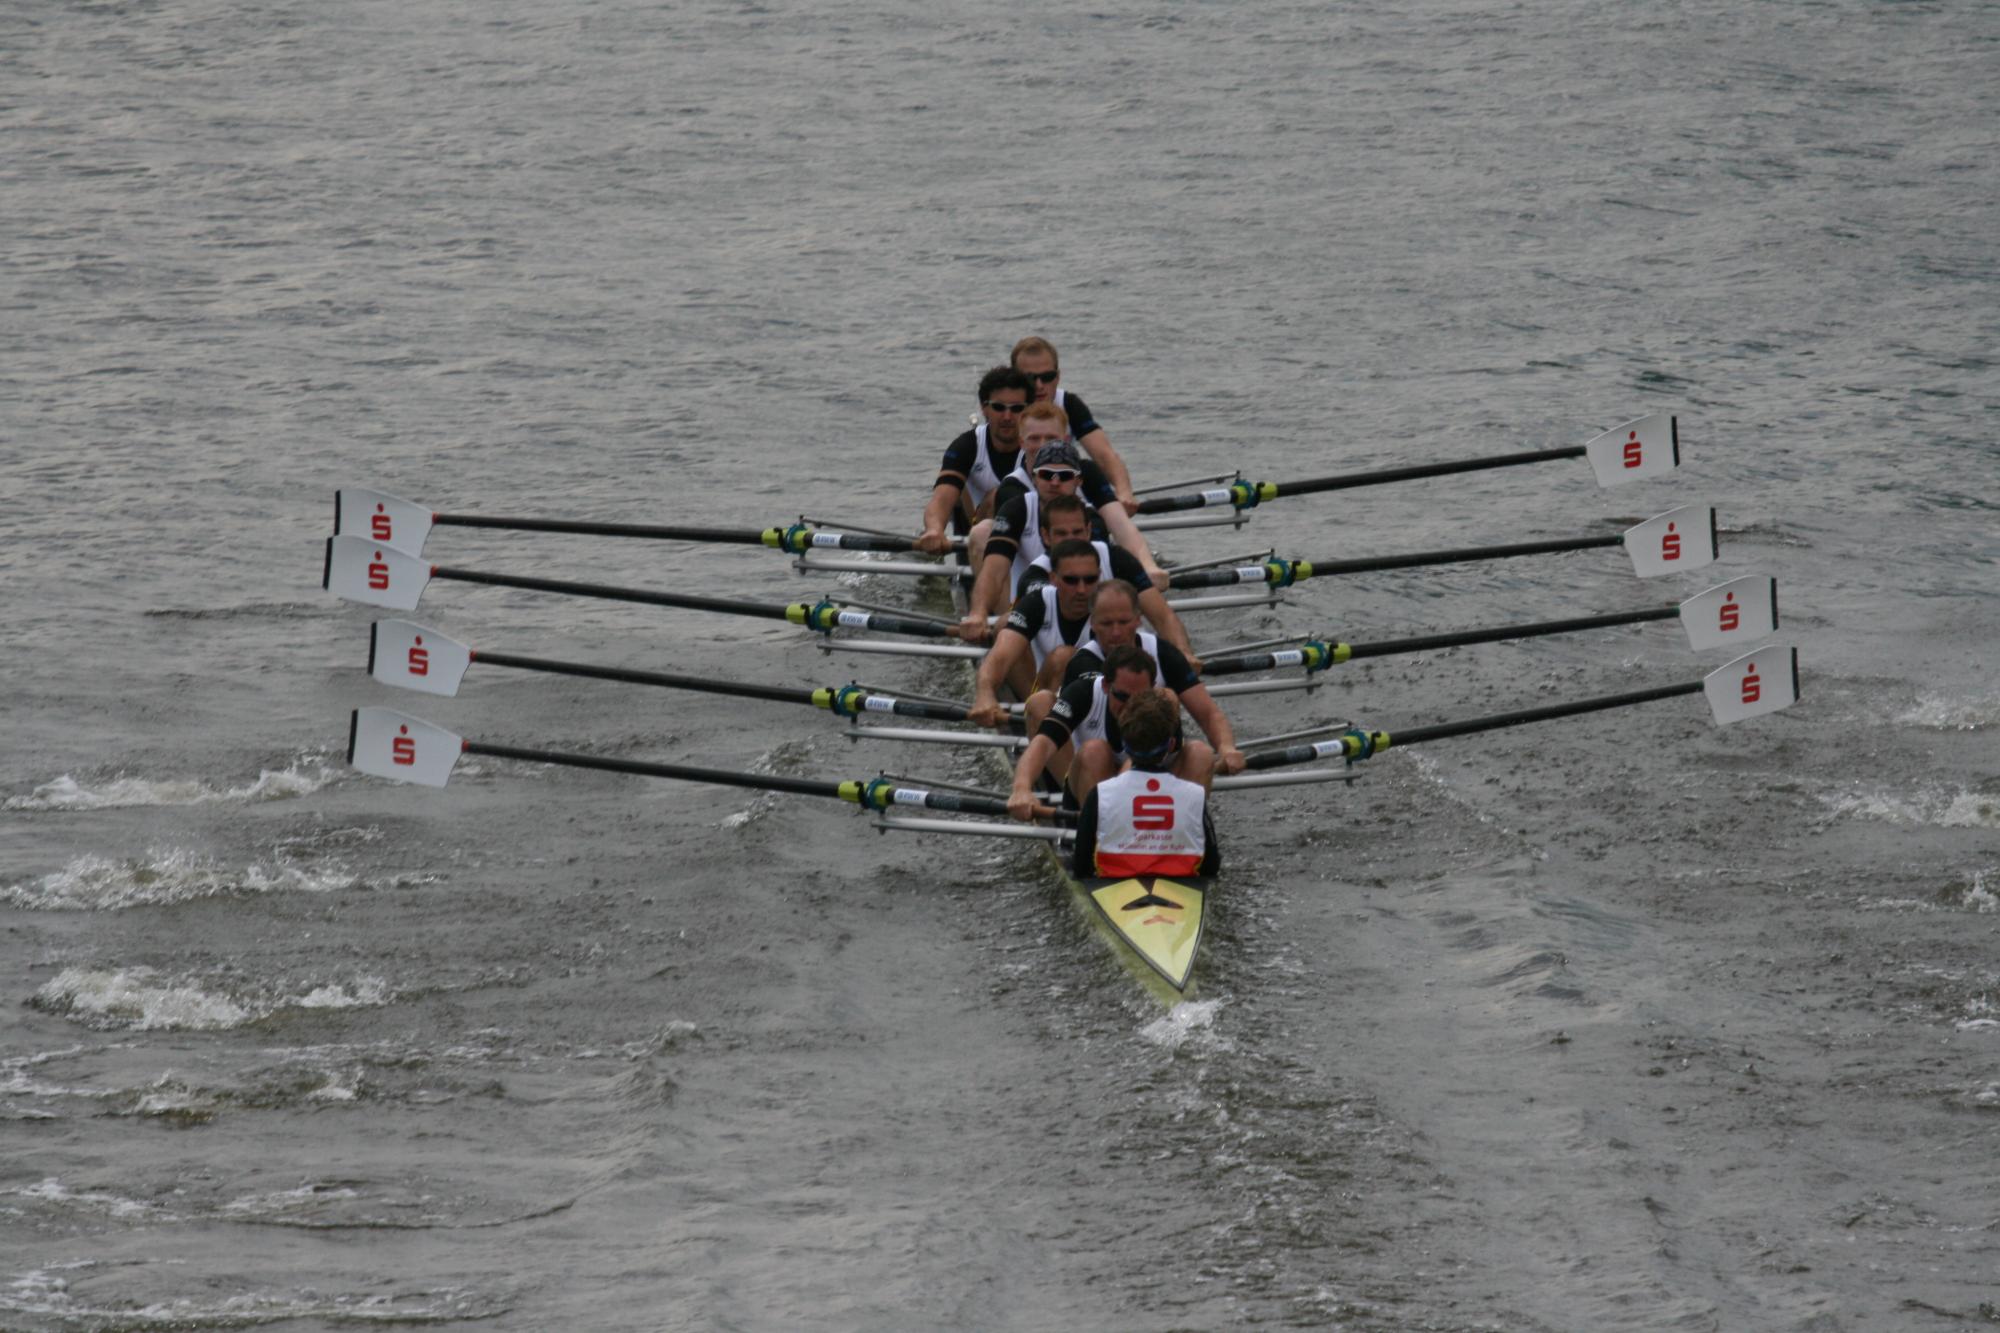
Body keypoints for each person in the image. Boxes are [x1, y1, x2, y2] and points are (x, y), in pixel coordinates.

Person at [1062, 580, 1245, 775]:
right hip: (1098, 766)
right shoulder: (1083, 663)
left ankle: (1186, 799)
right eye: (1107, 623)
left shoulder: (1163, 653)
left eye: (1123, 622)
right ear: (1093, 623)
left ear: (1138, 620)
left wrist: (1226, 748)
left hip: (1152, 760)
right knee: (1094, 751)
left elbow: (1209, 714)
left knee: (1198, 749)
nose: (1116, 632)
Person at [1019, 494, 1194, 672]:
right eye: (1062, 534)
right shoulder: (1034, 577)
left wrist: (1184, 654)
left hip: (1115, 664)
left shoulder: (1116, 558)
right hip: (1057, 674)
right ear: (1046, 536)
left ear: (1088, 531)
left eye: (1077, 532)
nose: (1071, 539)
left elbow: (1163, 616)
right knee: (1063, 656)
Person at [1069, 685, 1222, 879]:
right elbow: (1211, 866)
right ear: (1172, 745)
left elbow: (1081, 866)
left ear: (1125, 742)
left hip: (1114, 888)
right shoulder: (1195, 795)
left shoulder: (1100, 794)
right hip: (1181, 888)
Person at [965, 539, 1105, 729]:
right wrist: (985, 694)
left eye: (1090, 580)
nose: (1081, 589)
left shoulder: (1113, 609)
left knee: (1067, 657)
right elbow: (999, 657)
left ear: (1100, 577)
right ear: (1053, 579)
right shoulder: (1038, 602)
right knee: (1009, 627)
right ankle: (1036, 715)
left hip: (1101, 701)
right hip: (1049, 694)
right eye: (1071, 580)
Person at [1010, 335, 1137, 512]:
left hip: (1059, 497)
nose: (1039, 385)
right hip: (1009, 497)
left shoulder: (1069, 405)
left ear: (1058, 377)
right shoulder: (1005, 410)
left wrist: (1124, 493)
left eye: (1047, 376)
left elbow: (1104, 455)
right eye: (1030, 378)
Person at [915, 366, 1032, 555]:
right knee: (998, 496)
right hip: (980, 533)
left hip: (1026, 532)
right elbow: (941, 499)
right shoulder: (966, 446)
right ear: (985, 408)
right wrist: (934, 530)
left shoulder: (1037, 447)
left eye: (1017, 408)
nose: (1007, 417)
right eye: (999, 407)